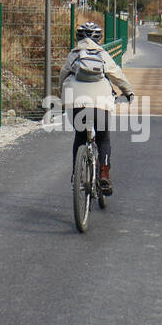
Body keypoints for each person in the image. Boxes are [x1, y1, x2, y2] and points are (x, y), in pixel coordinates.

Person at [60, 21, 135, 196]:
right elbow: (117, 75)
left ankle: (76, 175)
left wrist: (61, 97)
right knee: (103, 139)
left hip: (76, 104)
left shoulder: (74, 54)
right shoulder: (103, 55)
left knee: (80, 136)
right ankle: (104, 174)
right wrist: (128, 92)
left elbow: (63, 76)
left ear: (78, 38)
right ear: (99, 39)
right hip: (101, 104)